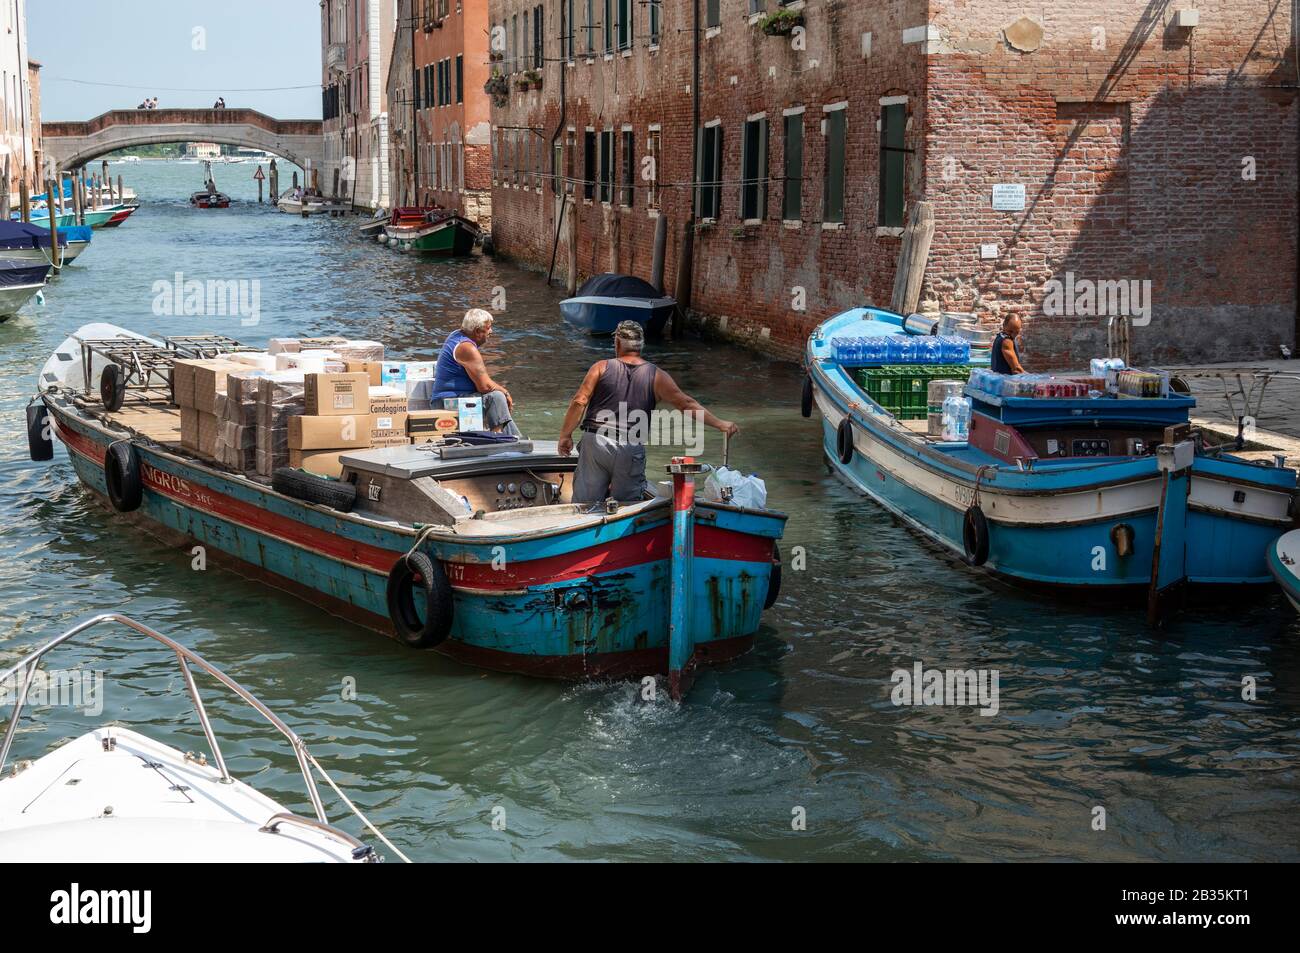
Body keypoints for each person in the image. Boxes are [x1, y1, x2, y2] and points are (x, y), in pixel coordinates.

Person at [558, 320, 738, 504]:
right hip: (629, 446)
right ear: (641, 345)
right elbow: (686, 404)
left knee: (584, 505)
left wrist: (566, 435)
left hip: (595, 441)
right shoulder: (657, 375)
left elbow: (580, 401)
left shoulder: (601, 367)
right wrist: (720, 424)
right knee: (627, 506)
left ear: (617, 343)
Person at [430, 308, 519, 435]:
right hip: (446, 403)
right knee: (497, 397)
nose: (491, 331)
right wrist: (506, 392)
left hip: (452, 399)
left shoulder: (457, 335)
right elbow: (485, 386)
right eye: (488, 328)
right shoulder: (467, 348)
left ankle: (514, 438)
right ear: (477, 331)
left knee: (497, 398)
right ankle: (498, 439)